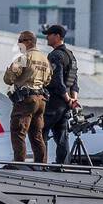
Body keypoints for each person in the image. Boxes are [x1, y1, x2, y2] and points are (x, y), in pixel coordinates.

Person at [2, 30, 52, 163]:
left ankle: (18, 164)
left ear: (29, 41)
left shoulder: (24, 57)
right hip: (41, 100)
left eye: (21, 40)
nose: (18, 43)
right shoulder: (45, 59)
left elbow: (8, 79)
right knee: (37, 135)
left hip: (26, 100)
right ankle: (41, 165)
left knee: (18, 132)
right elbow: (48, 80)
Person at [43, 24, 80, 163]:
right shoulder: (71, 55)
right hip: (66, 105)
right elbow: (74, 81)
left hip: (54, 103)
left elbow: (57, 81)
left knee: (41, 132)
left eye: (49, 34)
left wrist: (66, 98)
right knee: (62, 137)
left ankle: (40, 166)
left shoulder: (55, 55)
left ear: (57, 36)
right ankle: (63, 166)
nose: (47, 37)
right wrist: (72, 99)